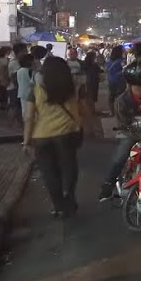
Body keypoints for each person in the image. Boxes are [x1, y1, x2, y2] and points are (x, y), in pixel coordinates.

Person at [22, 56, 83, 217]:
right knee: (68, 167)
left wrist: (26, 141)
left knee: (49, 173)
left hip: (41, 136)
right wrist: (78, 127)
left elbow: (29, 117)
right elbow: (75, 111)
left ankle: (58, 207)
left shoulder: (35, 89)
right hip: (65, 133)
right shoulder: (69, 88)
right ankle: (68, 198)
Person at [98, 59, 141, 201]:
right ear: (138, 79)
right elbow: (124, 123)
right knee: (121, 154)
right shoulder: (122, 100)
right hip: (131, 133)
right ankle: (108, 184)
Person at [7, 43, 28, 123]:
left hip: (16, 88)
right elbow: (15, 78)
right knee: (14, 106)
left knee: (16, 106)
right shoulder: (15, 63)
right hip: (14, 88)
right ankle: (13, 123)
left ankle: (15, 123)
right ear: (19, 52)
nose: (26, 53)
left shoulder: (18, 62)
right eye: (25, 51)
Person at [106, 46, 127, 115]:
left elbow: (106, 69)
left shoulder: (108, 60)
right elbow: (124, 69)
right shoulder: (121, 60)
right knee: (120, 96)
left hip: (111, 80)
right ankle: (119, 111)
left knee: (111, 96)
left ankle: (111, 111)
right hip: (120, 80)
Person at [0, 46, 12, 111]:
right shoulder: (4, 60)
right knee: (4, 91)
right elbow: (1, 69)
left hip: (1, 77)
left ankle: (3, 103)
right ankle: (4, 103)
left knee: (2, 90)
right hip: (4, 76)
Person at [83, 50, 102, 114]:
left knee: (89, 95)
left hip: (87, 80)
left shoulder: (85, 64)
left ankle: (89, 110)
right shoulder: (94, 65)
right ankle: (92, 110)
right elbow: (100, 70)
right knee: (92, 96)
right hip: (93, 81)